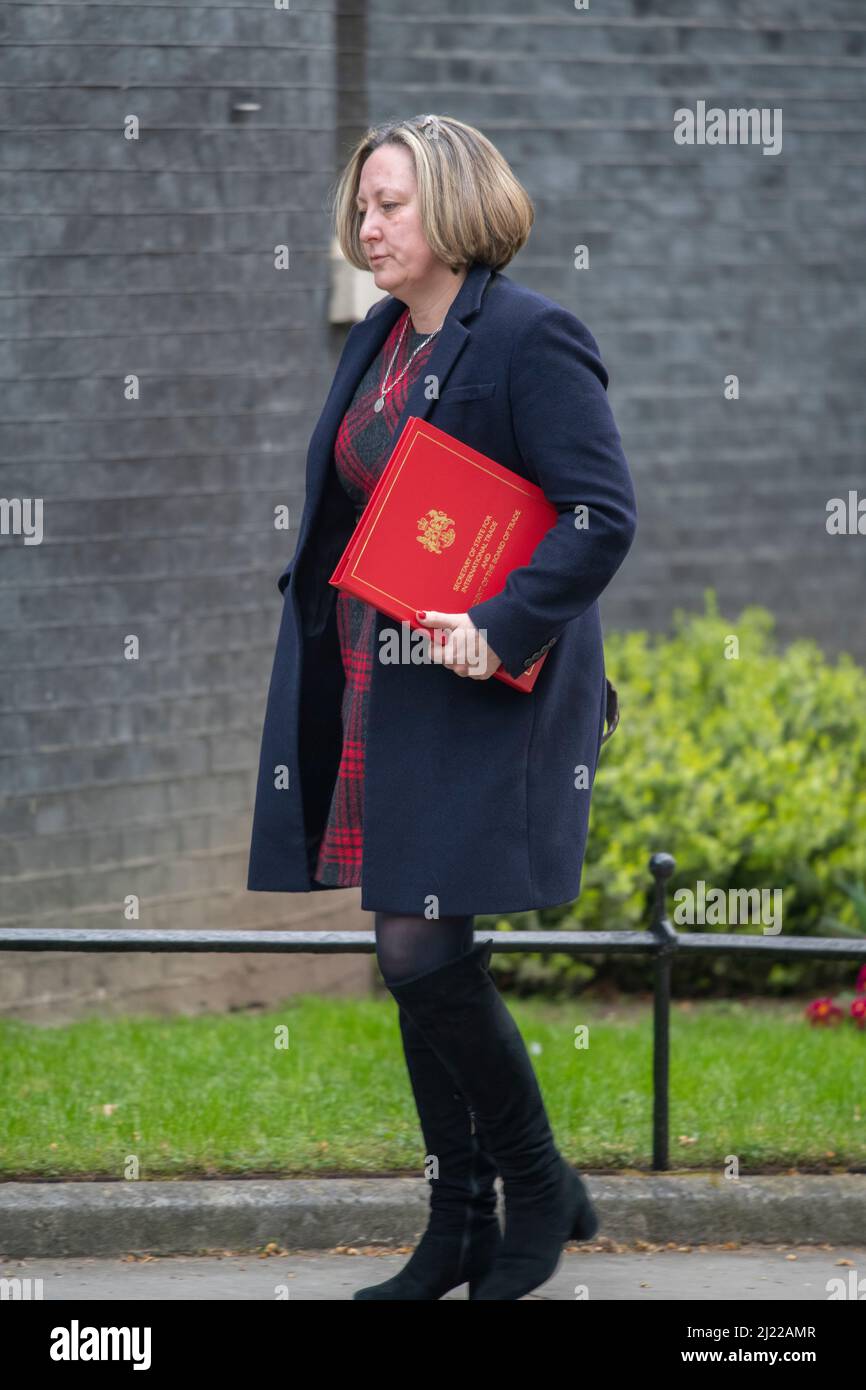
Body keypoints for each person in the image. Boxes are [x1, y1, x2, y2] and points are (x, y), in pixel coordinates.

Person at [247, 113, 638, 1299]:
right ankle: (458, 1220)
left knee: (421, 949)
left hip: (488, 689)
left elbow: (597, 512)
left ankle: (529, 1185)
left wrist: (502, 624)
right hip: (386, 682)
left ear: (455, 208)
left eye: (390, 204)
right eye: (359, 207)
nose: (367, 226)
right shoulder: (376, 338)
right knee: (412, 946)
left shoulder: (528, 336)